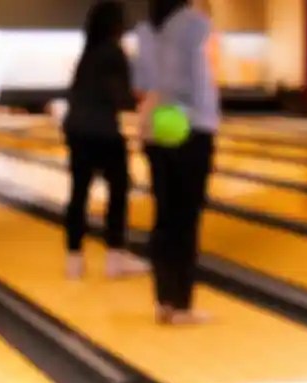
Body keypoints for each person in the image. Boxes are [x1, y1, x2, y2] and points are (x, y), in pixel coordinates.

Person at [135, 0, 219, 325]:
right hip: (191, 128)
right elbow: (190, 81)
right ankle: (182, 305)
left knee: (165, 216)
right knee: (186, 218)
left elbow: (142, 84)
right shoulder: (193, 22)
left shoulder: (146, 29)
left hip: (157, 127)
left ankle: (164, 302)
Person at [62, 0, 146, 280]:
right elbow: (120, 97)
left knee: (79, 192)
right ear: (115, 25)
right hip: (102, 131)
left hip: (76, 129)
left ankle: (73, 259)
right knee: (119, 189)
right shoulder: (113, 52)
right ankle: (115, 256)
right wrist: (140, 98)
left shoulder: (87, 54)